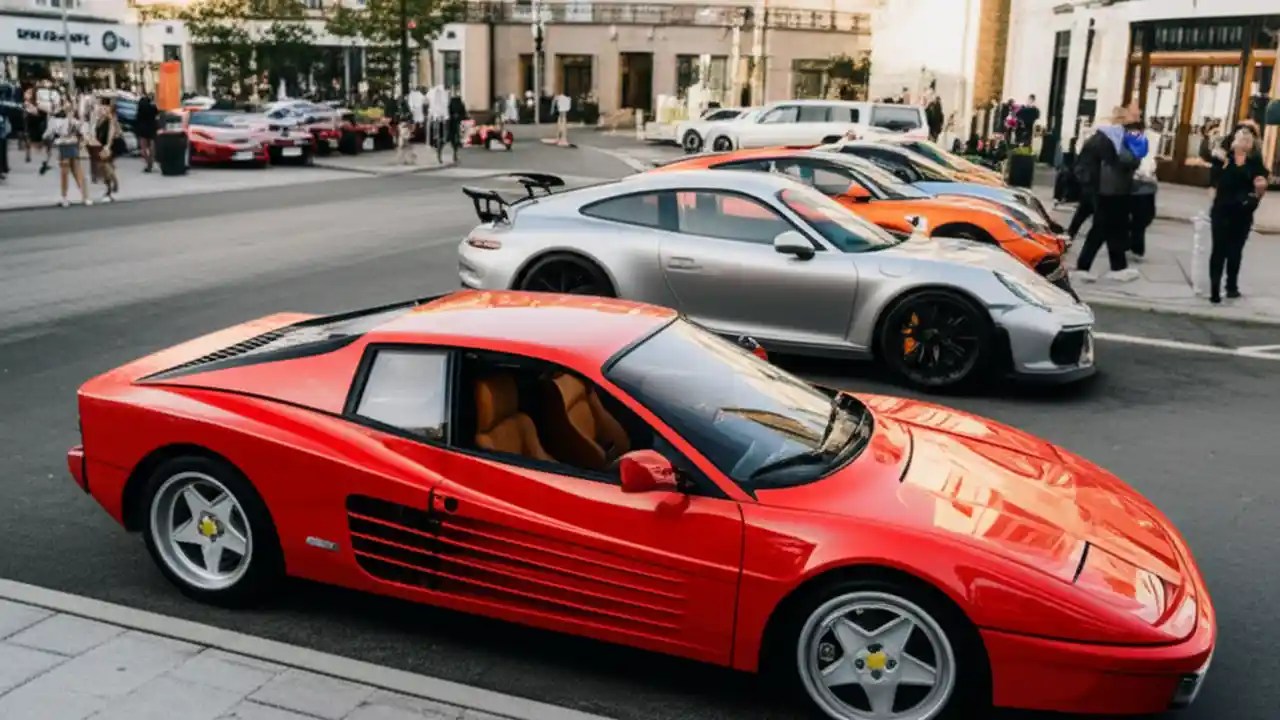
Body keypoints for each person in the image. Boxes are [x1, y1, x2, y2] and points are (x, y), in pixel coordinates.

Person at [1073, 105, 1143, 282]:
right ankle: (1085, 266)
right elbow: (1126, 160)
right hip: (1110, 190)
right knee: (1103, 228)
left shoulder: (1104, 135)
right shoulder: (1114, 137)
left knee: (1112, 228)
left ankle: (1117, 267)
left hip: (1107, 189)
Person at [1206, 125, 1268, 304]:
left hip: (1242, 213)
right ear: (1233, 142)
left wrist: (1258, 190)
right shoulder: (1224, 160)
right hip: (1222, 211)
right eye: (1241, 137)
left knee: (1235, 251)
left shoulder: (1255, 164)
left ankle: (1231, 287)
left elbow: (1261, 185)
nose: (1244, 140)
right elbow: (1213, 182)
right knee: (1219, 250)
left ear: (1252, 145)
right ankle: (1215, 289)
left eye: (1248, 139)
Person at [44, 103, 90, 207]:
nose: (69, 111)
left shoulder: (74, 122)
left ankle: (83, 196)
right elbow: (49, 134)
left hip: (71, 146)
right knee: (67, 172)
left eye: (70, 110)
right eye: (67, 109)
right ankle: (67, 197)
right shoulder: (58, 122)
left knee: (76, 172)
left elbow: (83, 133)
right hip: (65, 146)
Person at [1128, 118, 1160, 261]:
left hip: (1147, 184)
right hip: (1136, 184)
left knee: (1146, 216)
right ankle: (1137, 248)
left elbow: (1150, 160)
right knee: (1140, 218)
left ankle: (1131, 241)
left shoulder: (1149, 140)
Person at [90, 97, 121, 202]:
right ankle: (108, 190)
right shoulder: (99, 119)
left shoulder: (111, 119)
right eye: (101, 106)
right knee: (103, 168)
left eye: (105, 107)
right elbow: (95, 132)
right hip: (100, 145)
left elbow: (112, 132)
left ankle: (114, 182)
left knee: (105, 165)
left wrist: (108, 145)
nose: (102, 109)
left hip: (108, 145)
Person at [134, 92, 158, 172]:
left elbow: (136, 120)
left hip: (142, 129)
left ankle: (148, 163)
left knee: (143, 148)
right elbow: (157, 113)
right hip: (152, 128)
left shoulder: (139, 110)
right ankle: (151, 162)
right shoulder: (153, 107)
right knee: (152, 147)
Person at [447, 91, 467, 164]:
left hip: (453, 123)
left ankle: (455, 148)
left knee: (454, 135)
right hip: (458, 123)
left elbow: (448, 112)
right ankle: (456, 148)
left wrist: (452, 116)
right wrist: (460, 117)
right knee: (457, 135)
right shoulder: (460, 103)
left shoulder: (451, 103)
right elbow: (464, 113)